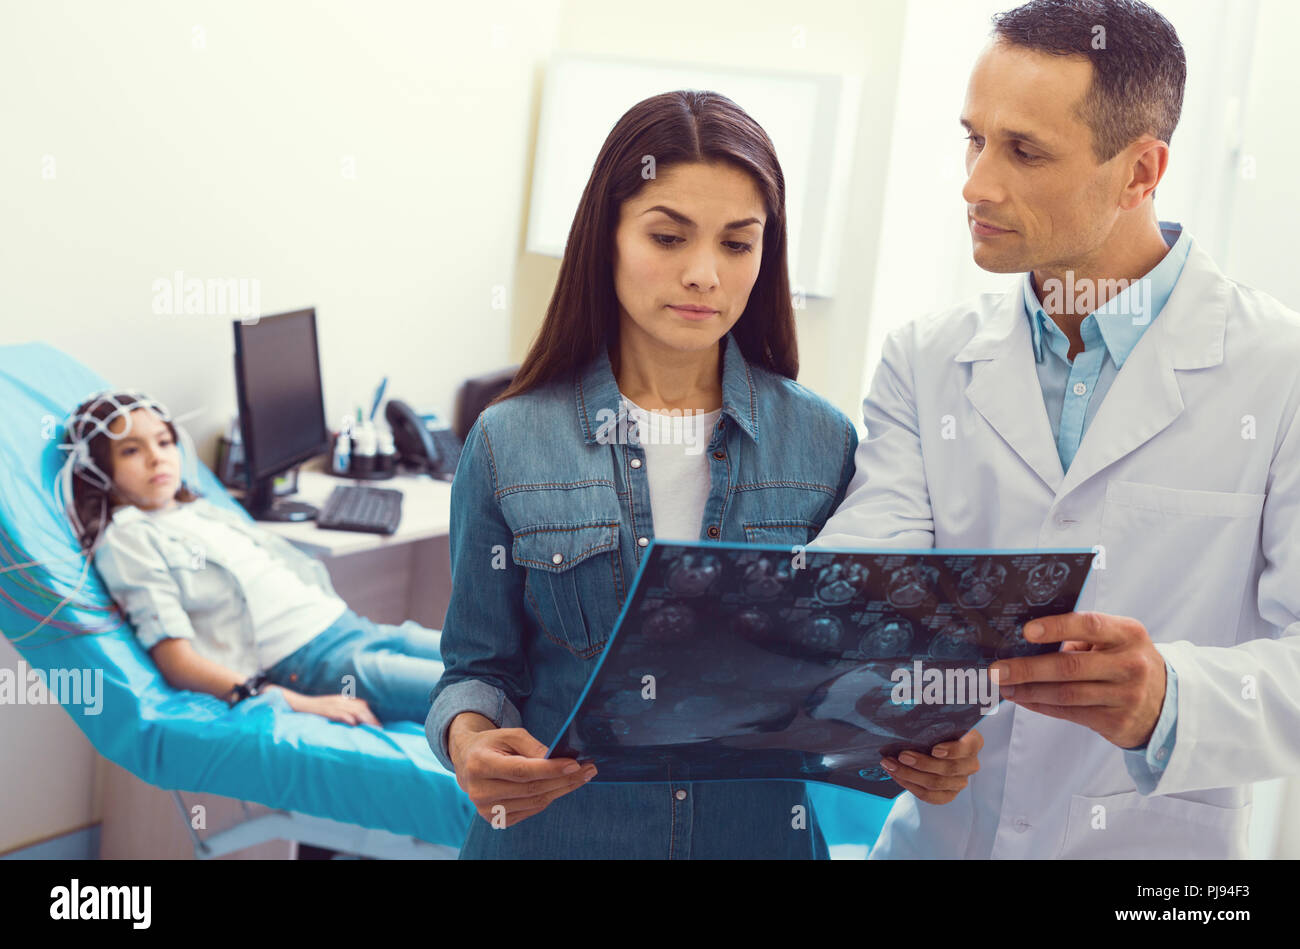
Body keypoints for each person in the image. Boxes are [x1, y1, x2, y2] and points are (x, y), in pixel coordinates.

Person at [426, 89, 985, 860]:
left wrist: (923, 747)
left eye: (736, 243)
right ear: (607, 237)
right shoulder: (507, 440)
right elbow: (475, 668)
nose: (703, 274)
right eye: (668, 236)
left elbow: (856, 675)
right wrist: (468, 741)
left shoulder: (824, 441)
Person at [814, 0, 1300, 859]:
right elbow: (865, 590)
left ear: (1141, 172)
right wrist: (892, 721)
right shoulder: (926, 359)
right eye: (975, 139)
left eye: (1024, 151)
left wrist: (1169, 696)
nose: (975, 185)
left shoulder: (1279, 370)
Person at [63, 390, 442, 726]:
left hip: (354, 627)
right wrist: (294, 701)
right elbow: (175, 661)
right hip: (314, 666)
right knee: (480, 697)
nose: (156, 459)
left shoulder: (194, 506)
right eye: (131, 450)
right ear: (96, 469)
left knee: (492, 663)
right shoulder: (129, 537)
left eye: (164, 442)